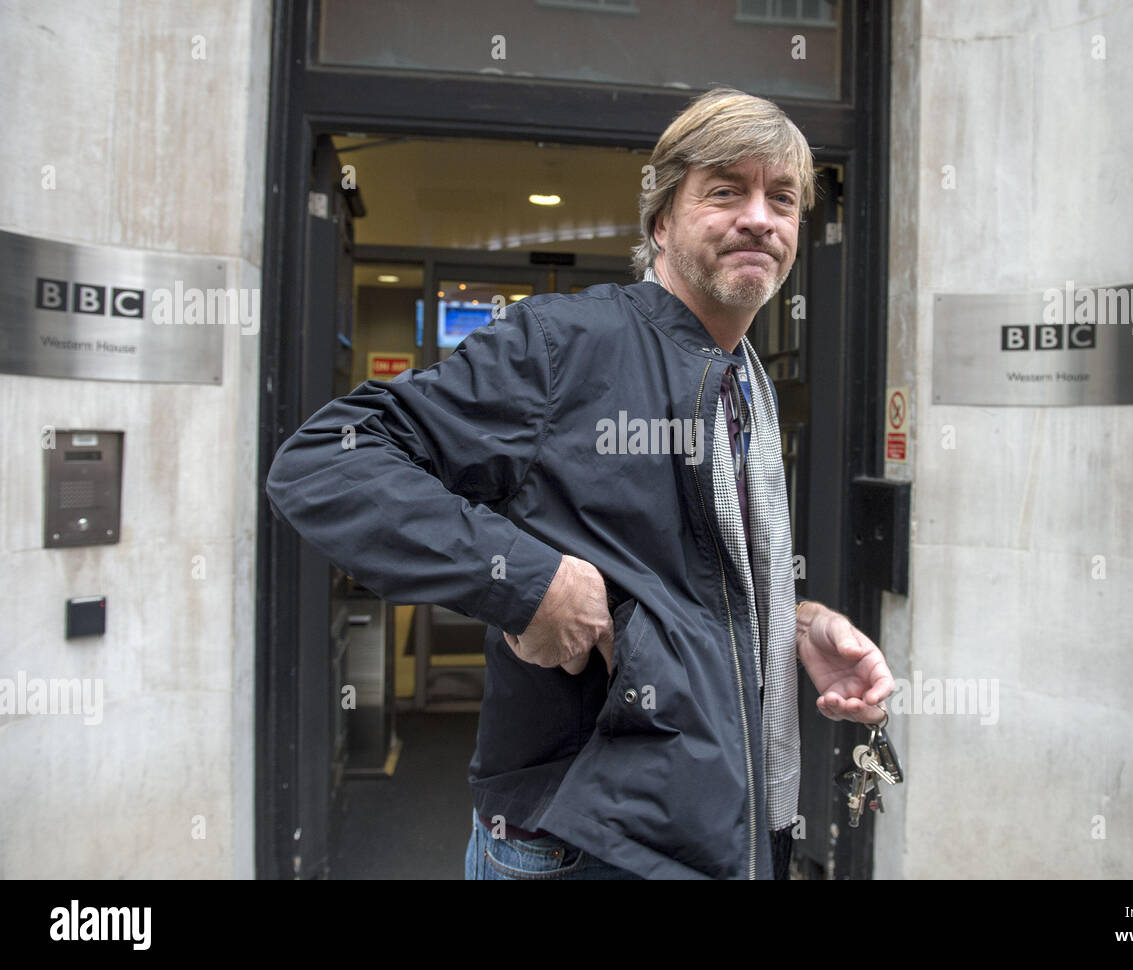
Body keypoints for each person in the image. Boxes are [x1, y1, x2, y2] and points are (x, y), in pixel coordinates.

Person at [266, 87, 895, 880]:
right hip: (577, 850)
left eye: (783, 199)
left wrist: (792, 621)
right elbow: (326, 459)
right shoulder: (566, 344)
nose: (760, 218)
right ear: (661, 221)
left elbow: (678, 579)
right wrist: (527, 582)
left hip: (717, 841)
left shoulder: (744, 382)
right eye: (726, 191)